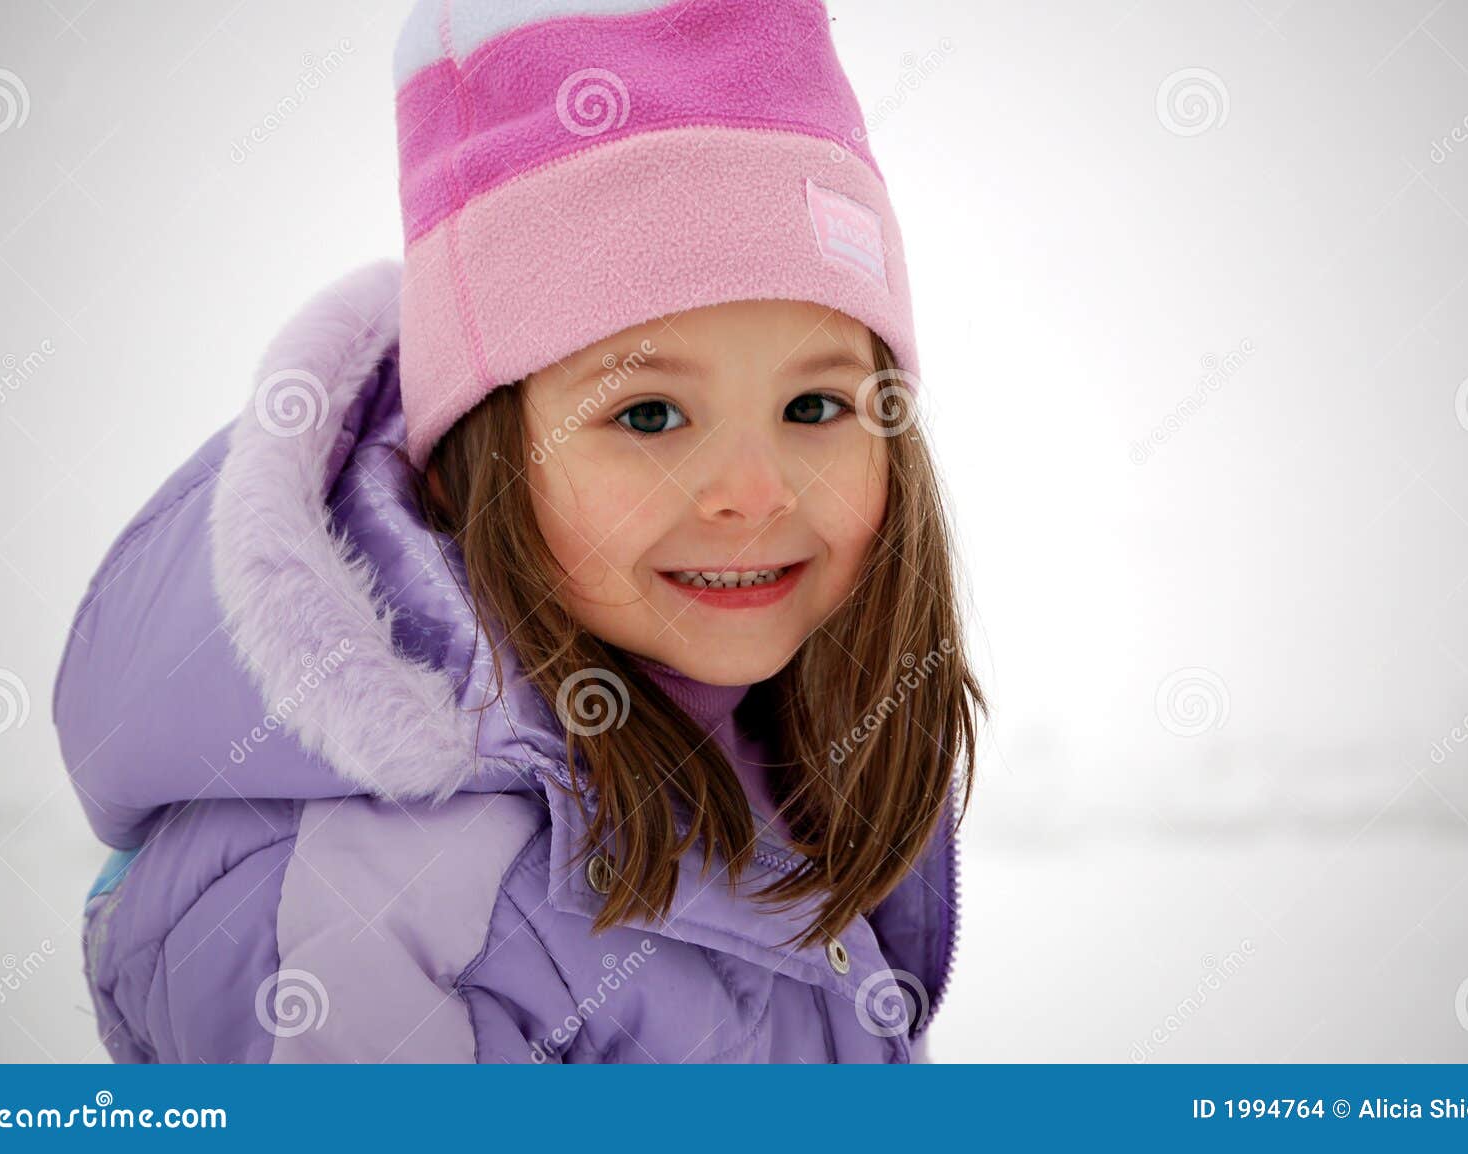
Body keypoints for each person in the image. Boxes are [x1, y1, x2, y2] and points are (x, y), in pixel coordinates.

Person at [55, 0, 984, 1063]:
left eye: (814, 407)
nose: (753, 490)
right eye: (647, 414)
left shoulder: (784, 745)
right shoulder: (380, 900)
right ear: (469, 464)